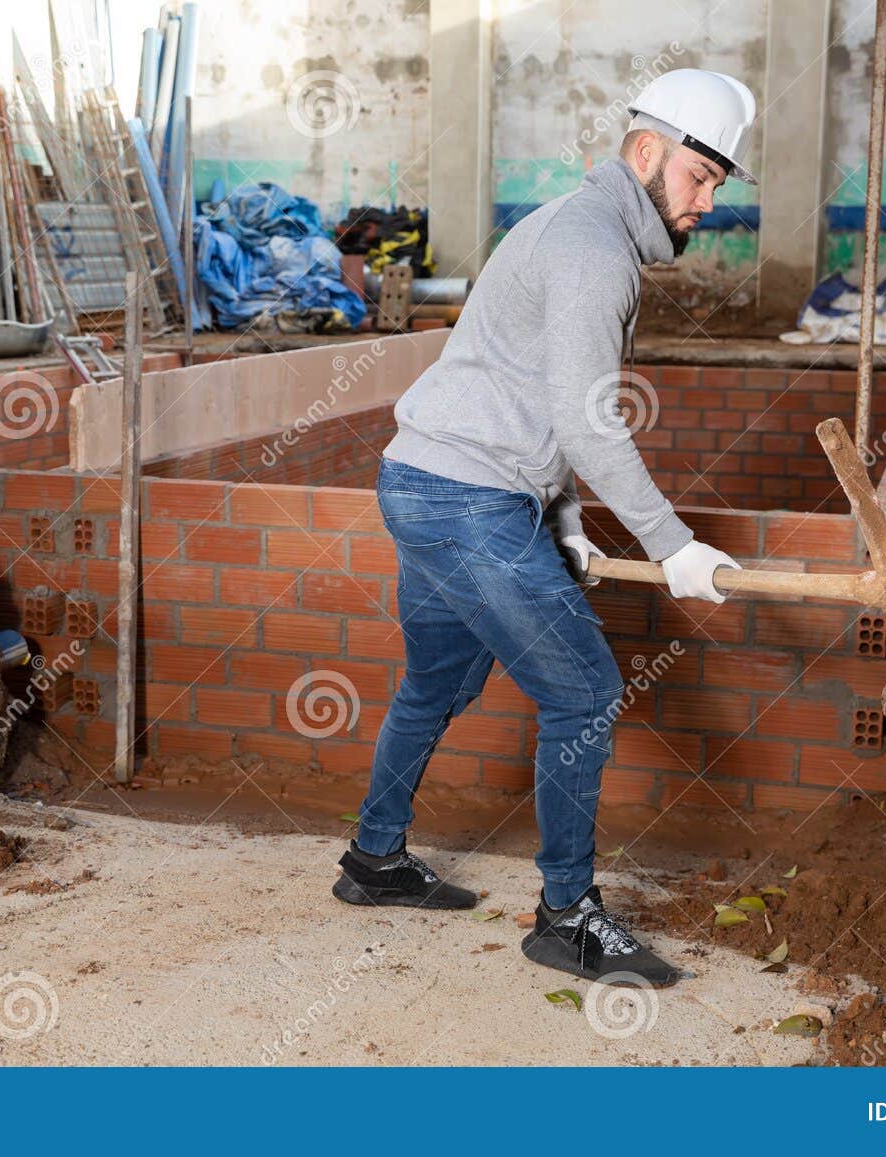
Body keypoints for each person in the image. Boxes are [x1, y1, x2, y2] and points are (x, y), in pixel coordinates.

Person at [332, 69, 760, 988]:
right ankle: (566, 916)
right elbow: (588, 422)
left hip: (424, 478)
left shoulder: (569, 225)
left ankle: (374, 860)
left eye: (721, 182)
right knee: (585, 693)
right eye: (700, 175)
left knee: (435, 683)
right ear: (648, 153)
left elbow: (522, 384)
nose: (709, 201)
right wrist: (671, 543)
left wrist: (559, 516)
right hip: (467, 502)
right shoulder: (593, 249)